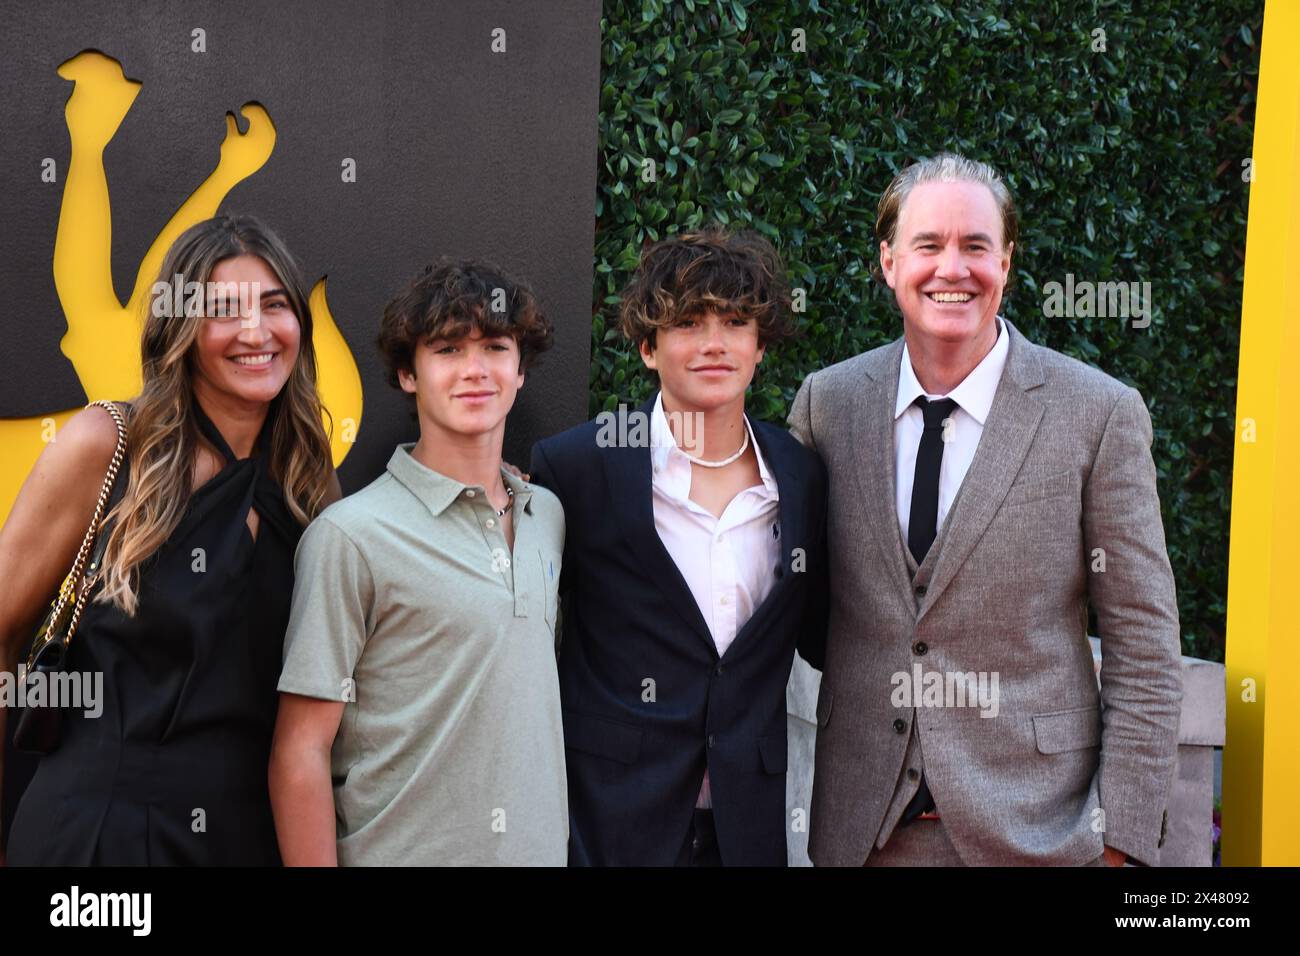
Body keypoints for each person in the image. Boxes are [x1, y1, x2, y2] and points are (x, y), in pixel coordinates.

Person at [788, 152, 1183, 866]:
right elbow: (795, 600)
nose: (952, 268)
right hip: (864, 835)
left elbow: (1144, 643)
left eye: (975, 246)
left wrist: (1120, 839)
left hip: (1042, 835)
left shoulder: (1097, 414)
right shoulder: (828, 405)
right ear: (888, 261)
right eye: (928, 245)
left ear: (1006, 259)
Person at [0, 215, 340, 865]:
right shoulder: (107, 446)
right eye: (223, 310)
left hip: (247, 838)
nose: (255, 332)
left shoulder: (307, 480)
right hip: (101, 837)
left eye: (275, 306)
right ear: (179, 327)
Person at [530, 228, 828, 866]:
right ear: (647, 347)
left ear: (759, 347)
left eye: (735, 322)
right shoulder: (577, 467)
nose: (714, 343)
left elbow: (824, 636)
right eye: (689, 322)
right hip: (612, 822)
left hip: (748, 830)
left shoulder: (802, 476)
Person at [270, 259, 566, 866]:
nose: (475, 370)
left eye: (495, 346)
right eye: (448, 349)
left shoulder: (548, 517)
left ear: (520, 369)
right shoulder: (350, 537)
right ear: (408, 373)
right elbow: (298, 752)